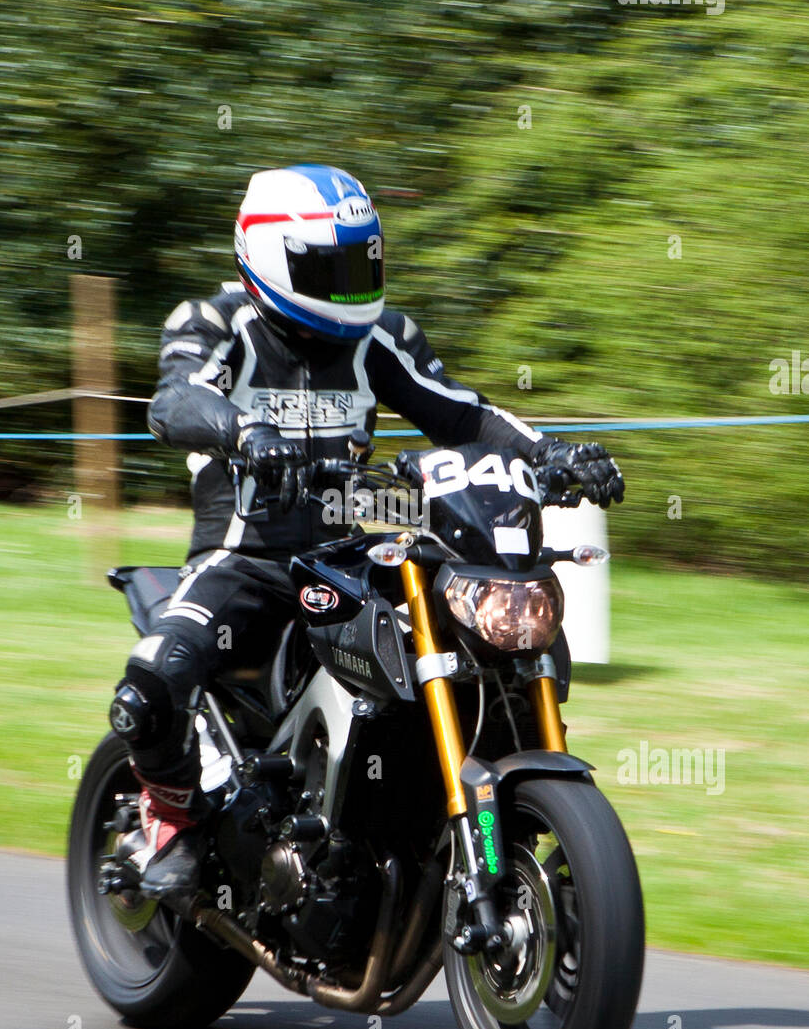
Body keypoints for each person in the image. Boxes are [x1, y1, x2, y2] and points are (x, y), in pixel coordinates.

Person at [109, 163, 624, 898]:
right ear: (269, 255)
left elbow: (464, 415)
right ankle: (174, 821)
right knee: (153, 682)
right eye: (331, 267)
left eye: (363, 263)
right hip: (246, 560)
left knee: (477, 632)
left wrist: (550, 454)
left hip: (352, 557)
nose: (352, 283)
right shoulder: (217, 322)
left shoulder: (380, 337)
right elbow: (174, 400)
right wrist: (242, 432)